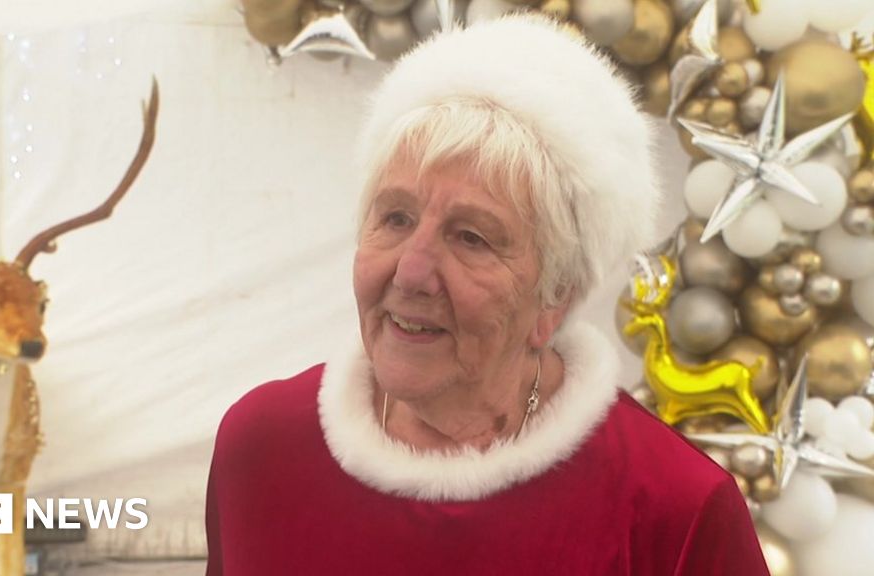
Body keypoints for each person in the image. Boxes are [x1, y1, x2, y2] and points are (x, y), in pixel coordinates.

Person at [205, 14, 770, 576]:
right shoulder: (261, 449)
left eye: (471, 237)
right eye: (396, 217)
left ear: (555, 299)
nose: (411, 272)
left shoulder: (675, 511)